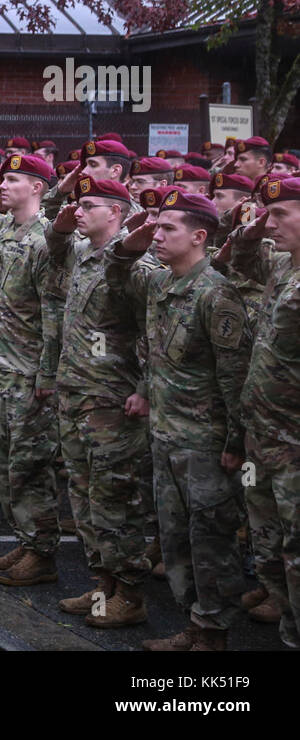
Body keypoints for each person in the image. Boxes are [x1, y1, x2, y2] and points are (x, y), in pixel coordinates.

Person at [109, 190, 253, 651]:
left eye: (169, 228)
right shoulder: (160, 284)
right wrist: (133, 241)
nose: (159, 235)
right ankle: (193, 624)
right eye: (157, 225)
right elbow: (116, 277)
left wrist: (236, 442)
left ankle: (213, 634)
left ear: (199, 236)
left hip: (206, 443)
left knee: (210, 542)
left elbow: (235, 379)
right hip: (167, 435)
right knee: (175, 542)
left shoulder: (217, 295)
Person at [46, 176, 156, 627]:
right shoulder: (81, 254)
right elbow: (54, 246)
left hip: (113, 398)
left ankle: (129, 593)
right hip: (77, 392)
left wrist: (145, 389)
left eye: (88, 204)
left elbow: (155, 331)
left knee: (116, 497)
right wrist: (59, 223)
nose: (79, 211)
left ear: (116, 212)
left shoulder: (138, 266)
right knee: (85, 494)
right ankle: (102, 583)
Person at [0, 153, 63, 586]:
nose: (2, 185)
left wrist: (47, 375)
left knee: (30, 466)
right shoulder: (0, 227)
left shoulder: (46, 242)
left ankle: (42, 553)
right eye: (2, 178)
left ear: (38, 188)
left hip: (26, 373)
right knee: (3, 464)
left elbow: (53, 313)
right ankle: (24, 541)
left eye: (13, 179)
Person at [225, 180, 300, 646]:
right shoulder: (283, 266)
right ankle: (282, 610)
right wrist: (255, 226)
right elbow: (237, 260)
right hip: (261, 434)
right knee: (266, 535)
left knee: (296, 545)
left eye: (283, 215)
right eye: (268, 215)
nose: (272, 225)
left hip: (294, 441)